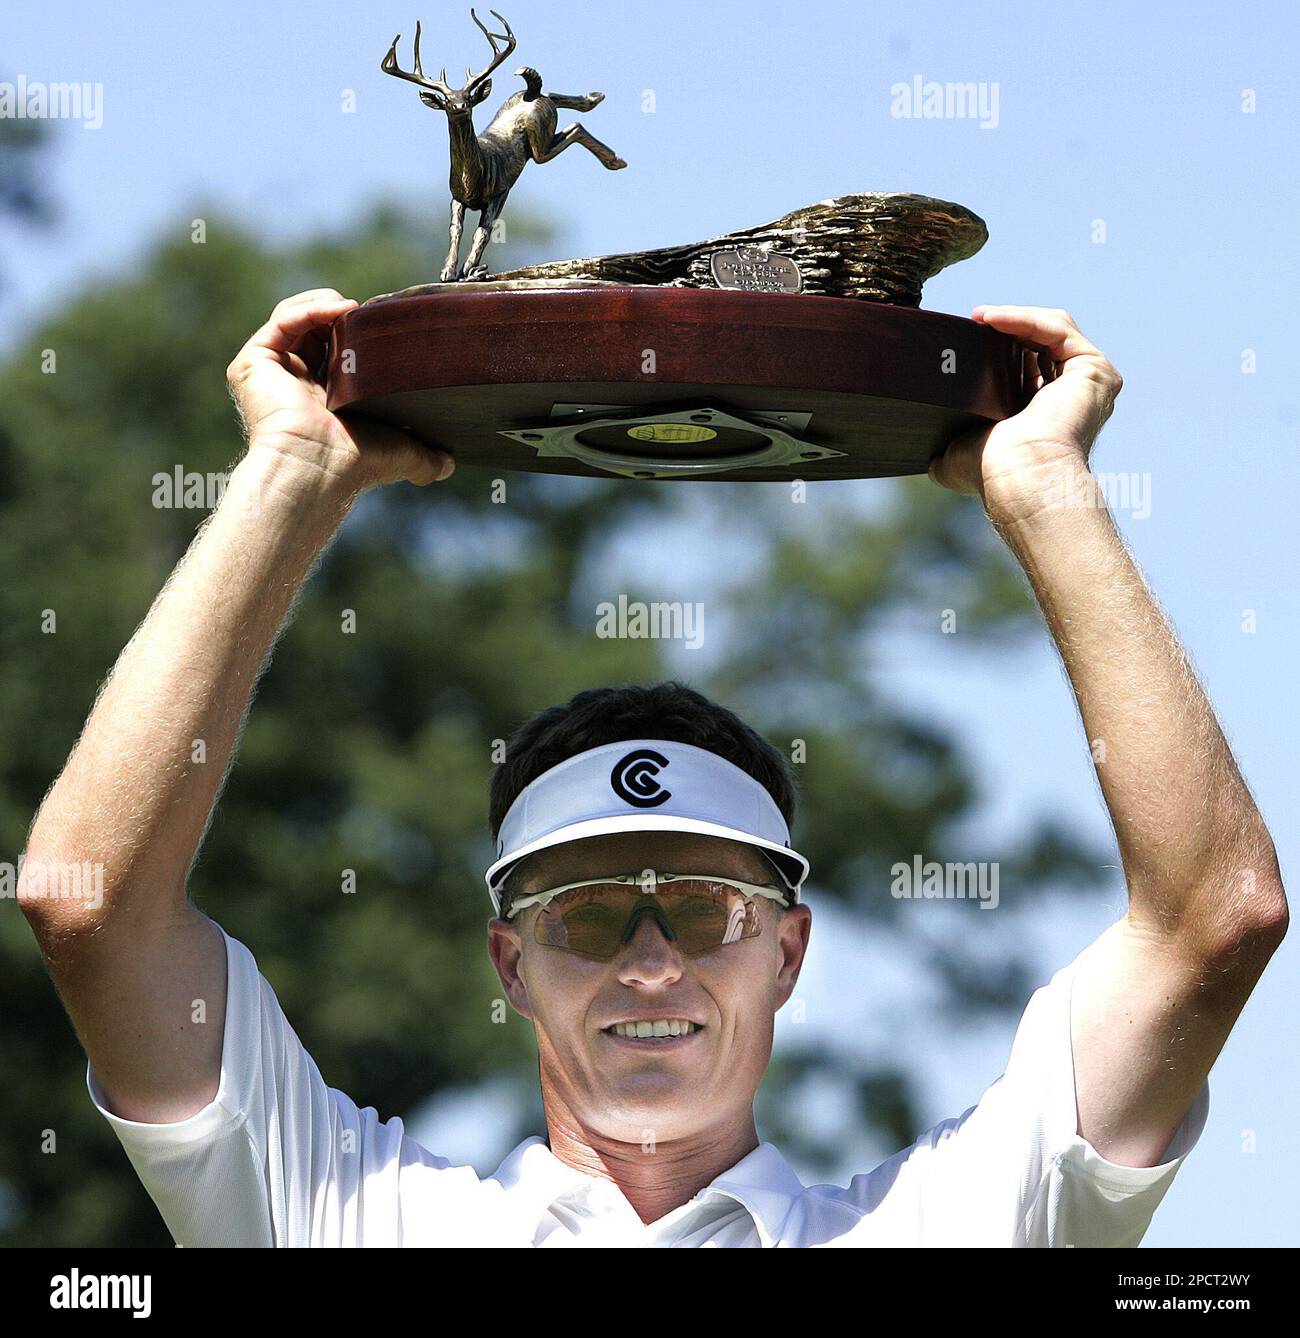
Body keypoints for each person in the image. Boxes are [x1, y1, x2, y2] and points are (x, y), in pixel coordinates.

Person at [17, 292, 1286, 1247]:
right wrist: (288, 477)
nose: (648, 960)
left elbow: (1213, 922)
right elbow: (85, 895)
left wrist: (1046, 487)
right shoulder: (357, 1216)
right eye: (582, 912)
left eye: (700, 906)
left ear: (786, 951)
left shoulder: (937, 1225)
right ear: (509, 962)